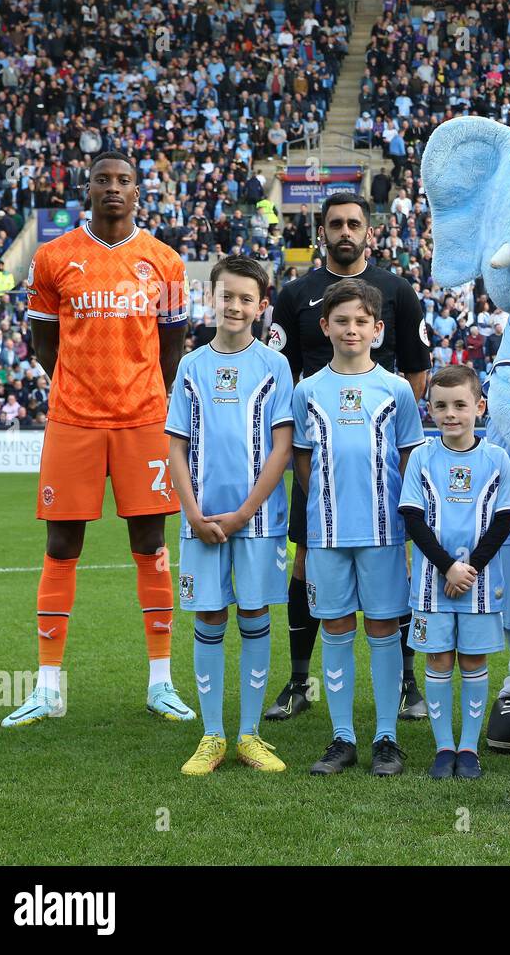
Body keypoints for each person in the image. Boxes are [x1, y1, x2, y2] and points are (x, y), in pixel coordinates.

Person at [4, 151, 193, 728]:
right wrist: (79, 387)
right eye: (103, 180)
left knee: (150, 542)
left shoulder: (163, 261)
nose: (114, 188)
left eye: (124, 180)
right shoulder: (53, 257)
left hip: (141, 421)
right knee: (62, 545)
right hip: (74, 420)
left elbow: (172, 347)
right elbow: (44, 345)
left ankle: (161, 682)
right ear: (86, 189)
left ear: (139, 191)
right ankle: (48, 687)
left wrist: (142, 397)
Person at [266, 191, 431, 724]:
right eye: (335, 223)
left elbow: (416, 368)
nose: (344, 231)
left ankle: (406, 683)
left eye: (353, 223)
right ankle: (297, 681)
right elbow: (281, 368)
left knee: (394, 563)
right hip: (320, 448)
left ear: (369, 231)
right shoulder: (296, 294)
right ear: (322, 232)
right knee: (306, 559)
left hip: (378, 452)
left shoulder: (398, 291)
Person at [165, 256, 294, 775]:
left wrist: (242, 513)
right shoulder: (191, 365)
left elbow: (282, 446)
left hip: (257, 523)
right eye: (227, 296)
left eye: (246, 298)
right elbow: (176, 446)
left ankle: (250, 734)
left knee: (256, 616)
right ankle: (212, 735)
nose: (236, 306)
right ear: (210, 298)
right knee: (210, 616)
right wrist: (193, 513)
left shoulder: (274, 366)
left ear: (262, 306)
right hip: (201, 522)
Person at [291, 279, 425, 775]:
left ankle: (387, 737)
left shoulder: (395, 390)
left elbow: (410, 457)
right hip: (327, 534)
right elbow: (303, 463)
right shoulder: (307, 390)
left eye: (361, 321)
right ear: (325, 327)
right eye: (342, 321)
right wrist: (329, 501)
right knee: (337, 628)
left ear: (378, 328)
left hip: (384, 532)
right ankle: (343, 737)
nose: (352, 329)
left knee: (385, 629)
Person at [399, 365, 510, 779]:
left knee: (471, 660)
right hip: (433, 584)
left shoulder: (496, 458)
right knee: (438, 658)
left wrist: (469, 570)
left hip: (481, 586)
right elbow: (412, 518)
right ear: (428, 409)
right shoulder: (421, 457)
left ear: (479, 407)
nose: (451, 413)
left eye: (460, 405)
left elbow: (503, 520)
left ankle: (468, 746)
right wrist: (448, 566)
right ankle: (443, 746)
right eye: (441, 405)